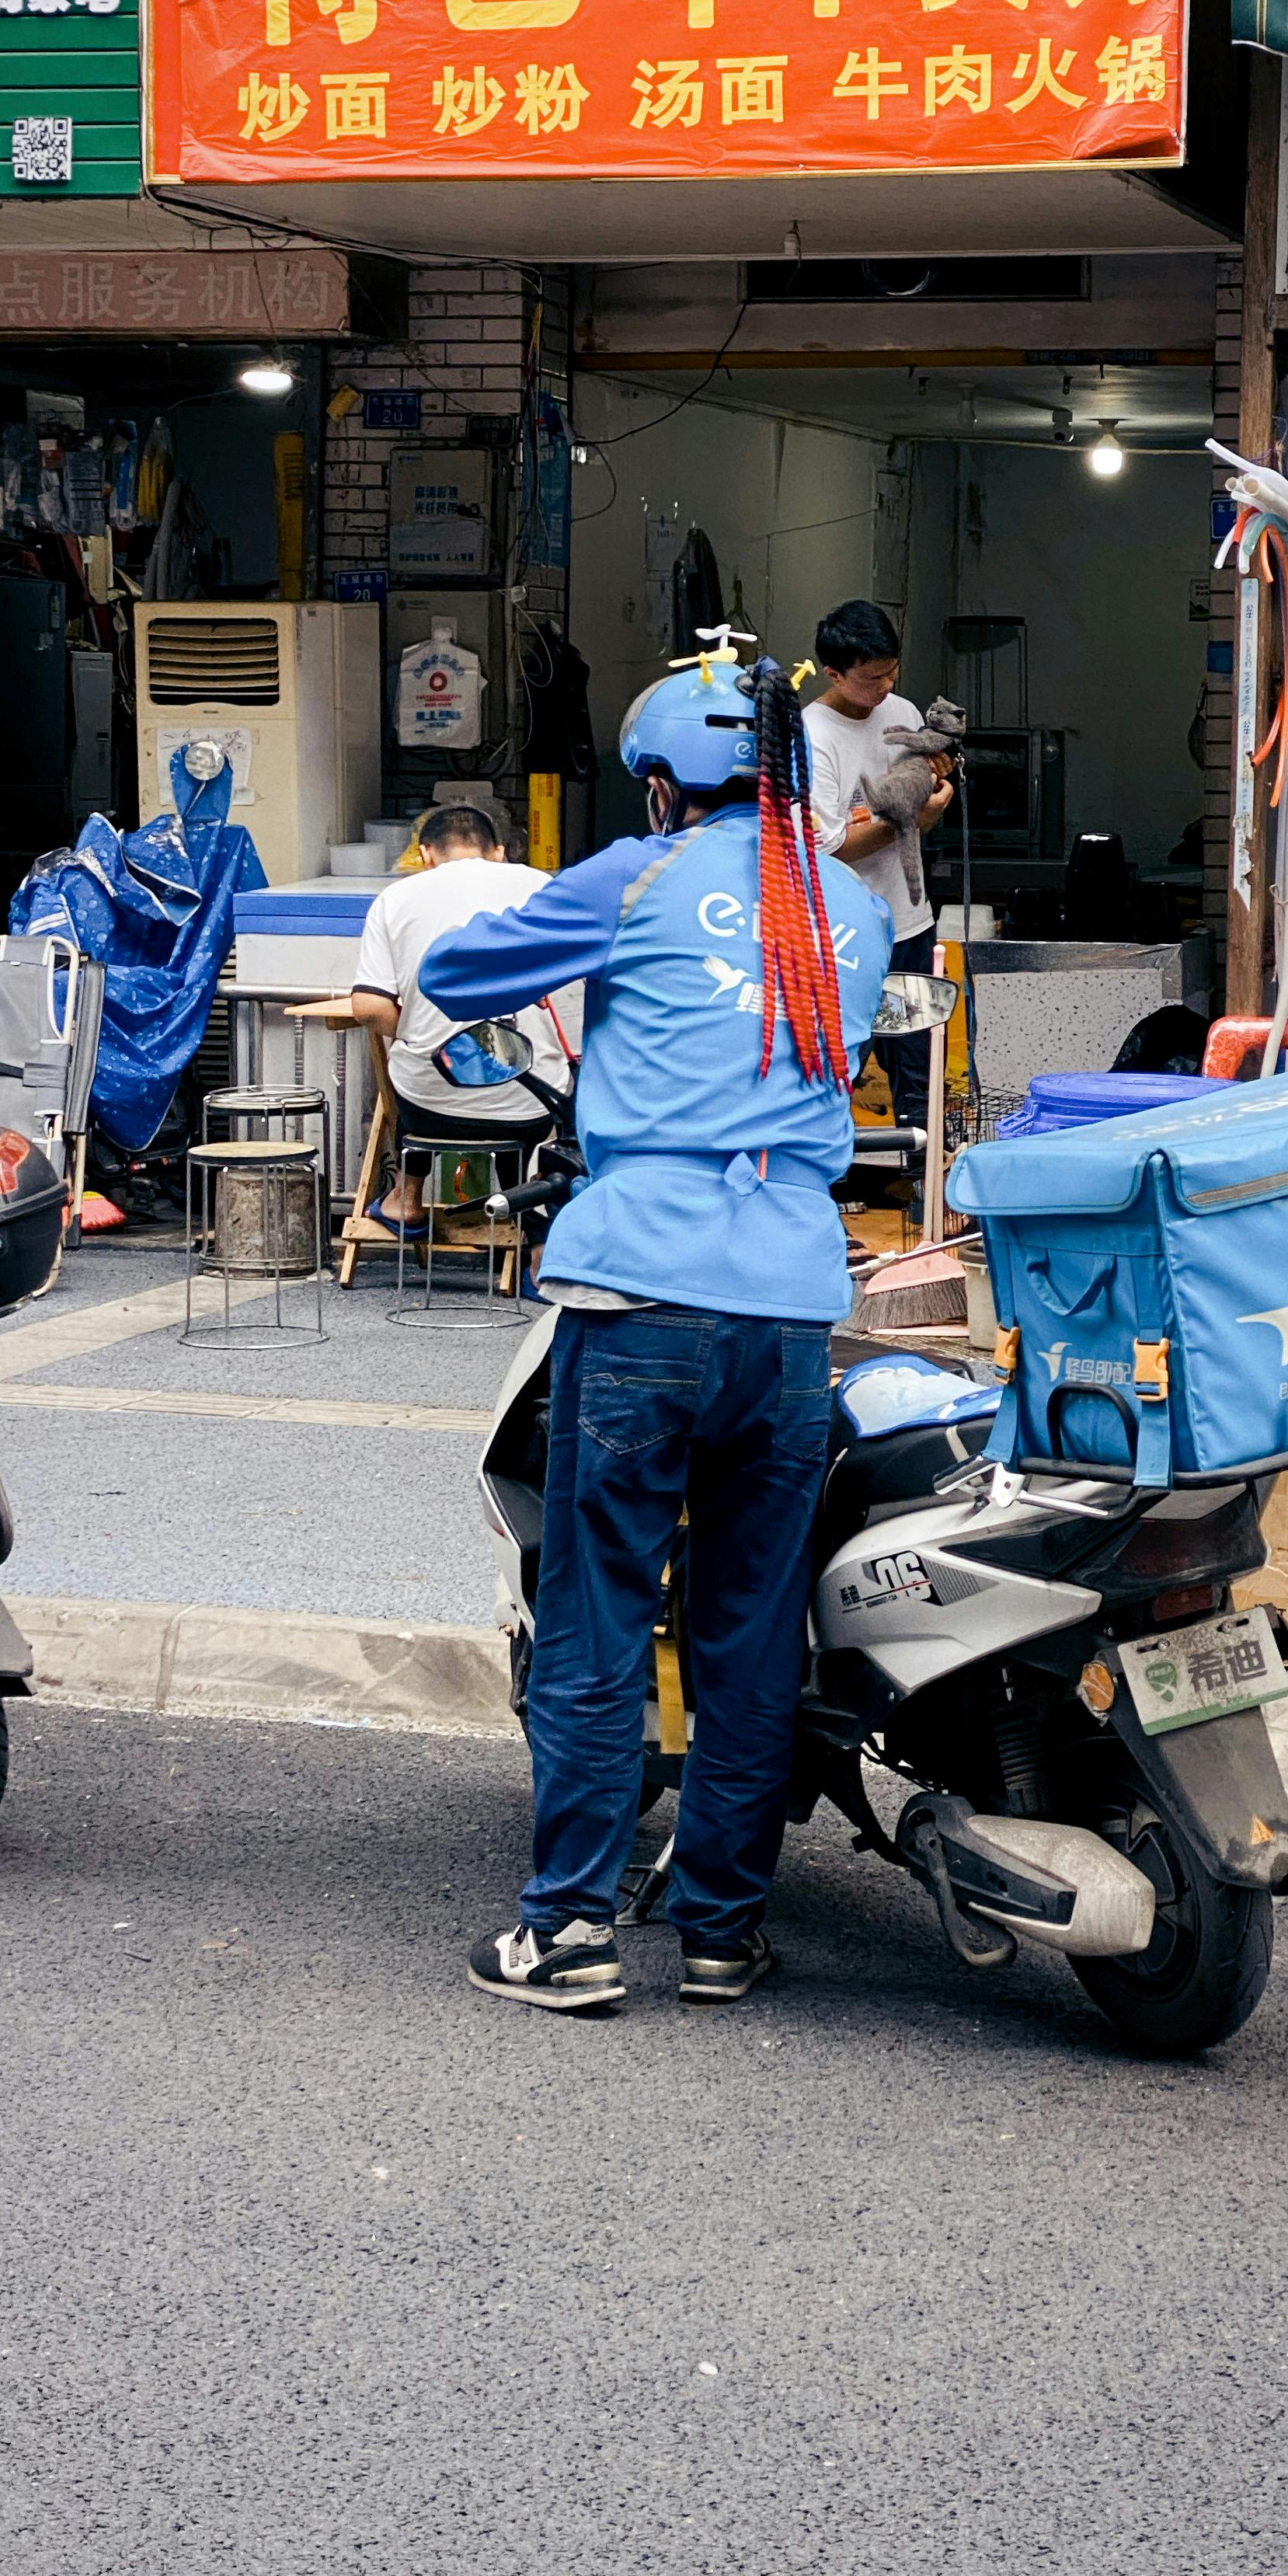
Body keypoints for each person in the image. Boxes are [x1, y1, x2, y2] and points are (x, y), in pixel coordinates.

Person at [421, 650, 888, 2013]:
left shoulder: (637, 874)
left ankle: (567, 1929)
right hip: (789, 1309)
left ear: (666, 783)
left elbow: (455, 973)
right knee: (751, 1631)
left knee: (600, 1617)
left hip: (640, 1294)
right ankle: (721, 1932)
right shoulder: (852, 907)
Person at [349, 806, 577, 1237]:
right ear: (499, 853)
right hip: (531, 1103)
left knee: (413, 1066)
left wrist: (418, 1031)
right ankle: (533, 1220)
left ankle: (406, 1201)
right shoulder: (543, 887)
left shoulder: (396, 898)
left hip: (432, 1108)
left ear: (426, 854)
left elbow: (369, 1007)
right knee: (546, 1092)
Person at [802, 598, 952, 1141]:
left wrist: (936, 788)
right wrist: (910, 819)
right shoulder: (812, 737)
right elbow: (828, 847)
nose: (886, 687)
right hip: (842, 935)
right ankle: (826, 1174)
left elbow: (925, 803)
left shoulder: (902, 713)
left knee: (919, 1068)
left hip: (910, 924)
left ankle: (923, 1175)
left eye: (892, 672)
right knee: (838, 1066)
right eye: (871, 679)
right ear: (833, 673)